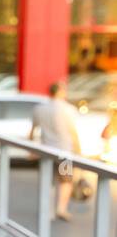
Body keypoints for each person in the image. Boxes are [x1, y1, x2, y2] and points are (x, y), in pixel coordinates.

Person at [30, 80, 84, 222]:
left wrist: (31, 149)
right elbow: (73, 132)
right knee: (65, 181)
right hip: (65, 151)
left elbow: (32, 131)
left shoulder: (39, 108)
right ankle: (61, 208)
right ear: (61, 92)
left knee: (48, 181)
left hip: (46, 151)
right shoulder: (68, 109)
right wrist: (79, 151)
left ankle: (48, 212)